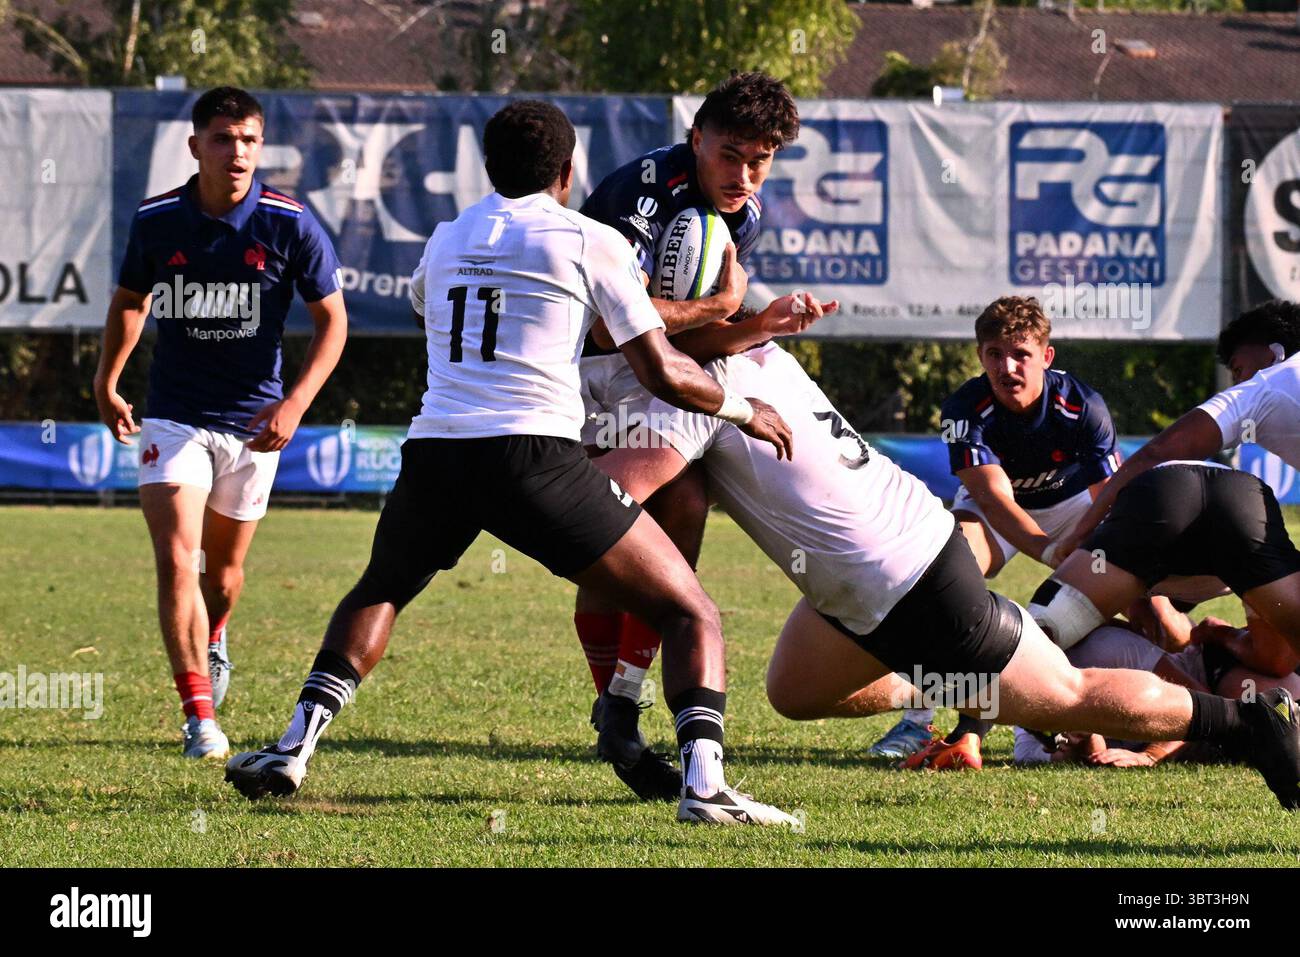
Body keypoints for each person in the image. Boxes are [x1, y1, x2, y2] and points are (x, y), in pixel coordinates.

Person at [225, 100, 800, 826]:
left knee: (382, 588)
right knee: (690, 608)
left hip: (436, 454)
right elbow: (660, 371)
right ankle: (705, 785)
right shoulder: (589, 239)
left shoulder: (445, 236)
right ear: (566, 173)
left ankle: (291, 747)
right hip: (535, 459)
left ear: (489, 169)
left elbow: (423, 312)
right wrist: (747, 409)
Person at [591, 340, 1300, 811]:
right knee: (795, 691)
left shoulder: (701, 379)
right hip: (854, 572)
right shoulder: (759, 350)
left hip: (906, 568)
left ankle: (1244, 722)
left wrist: (517, 473)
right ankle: (950, 686)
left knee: (1062, 693)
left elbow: (605, 496)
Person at [573, 72, 830, 800]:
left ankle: (621, 701)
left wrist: (759, 324)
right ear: (696, 140)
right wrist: (721, 301)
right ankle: (616, 706)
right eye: (730, 155)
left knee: (685, 503)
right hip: (584, 373)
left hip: (648, 371)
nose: (745, 175)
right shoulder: (643, 199)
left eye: (762, 158)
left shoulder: (738, 213)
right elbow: (603, 324)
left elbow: (704, 331)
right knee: (608, 538)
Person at [93, 87, 348, 759]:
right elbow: (129, 300)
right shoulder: (157, 221)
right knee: (178, 559)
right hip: (173, 417)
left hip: (254, 425)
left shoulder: (288, 221)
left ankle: (216, 632)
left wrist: (294, 404)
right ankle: (199, 715)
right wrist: (107, 379)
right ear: (196, 145)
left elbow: (334, 321)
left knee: (222, 576)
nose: (237, 152)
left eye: (249, 140)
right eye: (223, 138)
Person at [869, 296, 1120, 768]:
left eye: (1021, 354)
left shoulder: (1084, 405)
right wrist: (1049, 551)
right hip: (998, 513)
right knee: (934, 582)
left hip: (1072, 509)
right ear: (980, 357)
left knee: (1141, 591)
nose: (1008, 367)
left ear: (1046, 357)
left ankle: (1163, 714)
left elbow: (1113, 499)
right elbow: (995, 500)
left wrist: (1091, 550)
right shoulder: (964, 407)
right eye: (994, 354)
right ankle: (918, 720)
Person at [1056, 299, 1300, 559]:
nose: (1237, 383)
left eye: (1239, 370)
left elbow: (1159, 452)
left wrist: (1083, 530)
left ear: (1275, 353)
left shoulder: (1262, 388)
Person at [1027, 462, 1300, 667]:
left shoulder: (1145, 590)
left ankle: (982, 720)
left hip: (1162, 492)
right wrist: (1217, 634)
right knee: (1276, 660)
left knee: (1038, 635)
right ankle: (1214, 636)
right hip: (1242, 496)